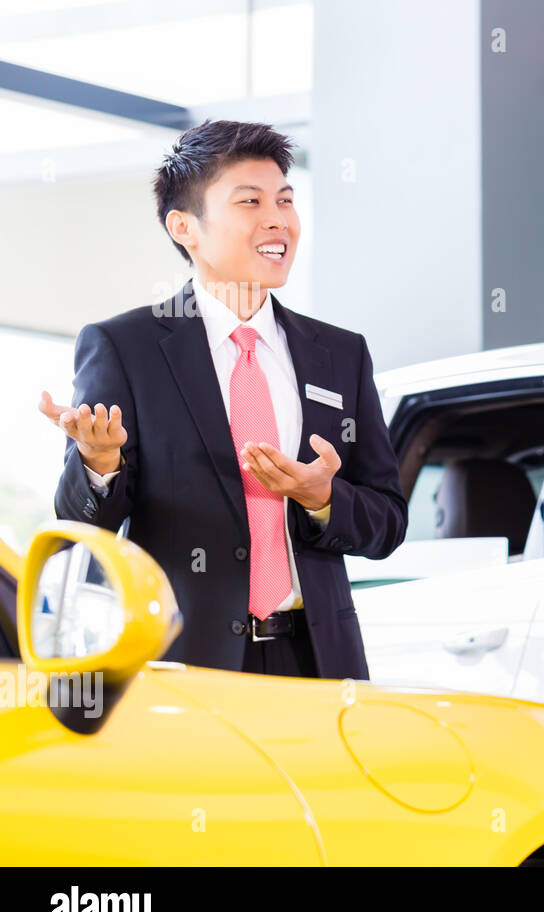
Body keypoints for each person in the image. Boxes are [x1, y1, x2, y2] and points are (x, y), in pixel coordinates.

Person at [39, 120, 407, 679]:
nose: (277, 219)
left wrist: (323, 497)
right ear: (184, 226)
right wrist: (99, 463)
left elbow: (389, 520)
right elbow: (80, 523)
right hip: (189, 665)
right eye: (250, 201)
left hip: (319, 662)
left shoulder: (340, 353)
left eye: (285, 200)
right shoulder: (126, 347)